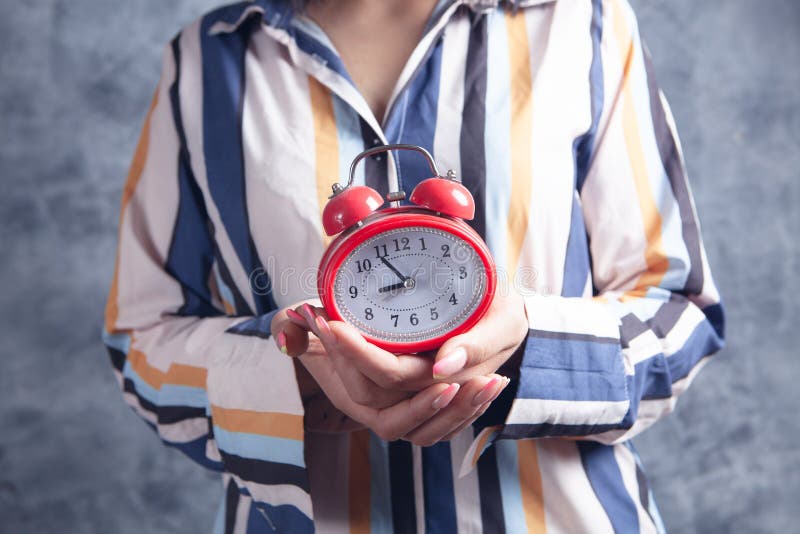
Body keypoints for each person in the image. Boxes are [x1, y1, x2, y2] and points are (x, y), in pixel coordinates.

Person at [102, 0, 725, 531]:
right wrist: (293, 373)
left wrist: (529, 345)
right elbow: (141, 338)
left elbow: (678, 311)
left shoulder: (578, 22)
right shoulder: (206, 60)